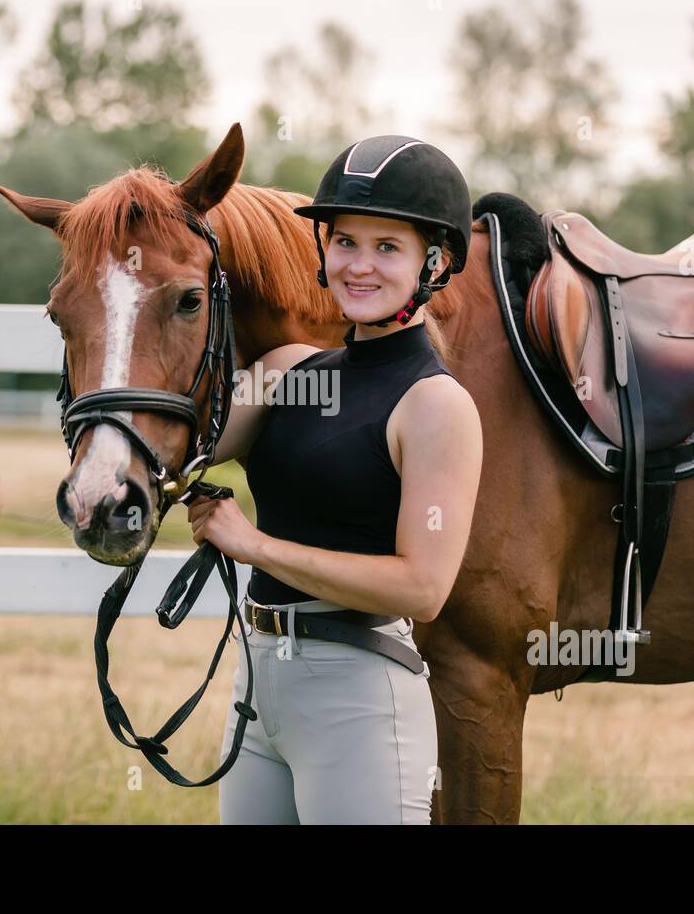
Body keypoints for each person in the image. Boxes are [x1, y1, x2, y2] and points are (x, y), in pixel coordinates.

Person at [183, 135, 484, 824]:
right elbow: (181, 456)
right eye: (346, 241)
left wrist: (254, 546)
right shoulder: (287, 370)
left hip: (360, 694)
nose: (359, 265)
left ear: (432, 263)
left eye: (387, 248)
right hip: (260, 680)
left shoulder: (436, 406)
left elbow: (424, 588)